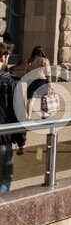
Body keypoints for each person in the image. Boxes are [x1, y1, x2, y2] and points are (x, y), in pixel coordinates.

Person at [0, 52, 25, 193]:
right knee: (4, 178)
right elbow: (18, 115)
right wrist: (21, 142)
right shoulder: (11, 82)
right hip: (3, 140)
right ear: (4, 57)